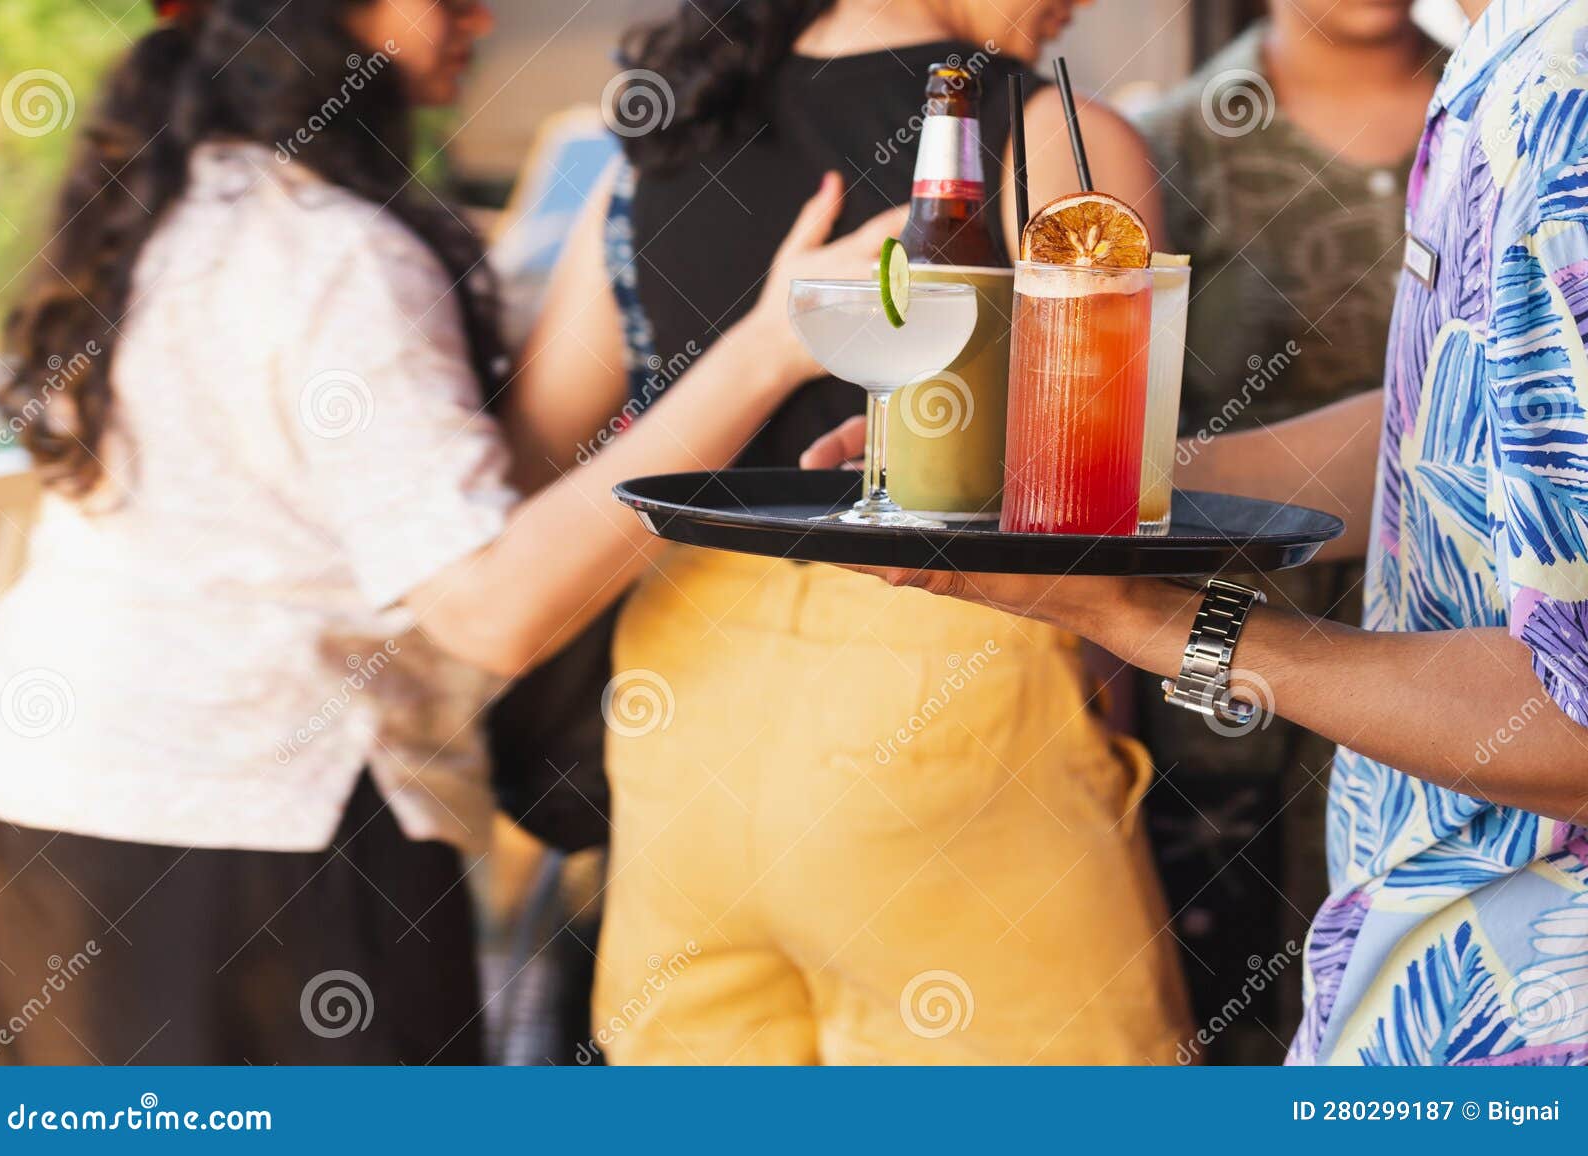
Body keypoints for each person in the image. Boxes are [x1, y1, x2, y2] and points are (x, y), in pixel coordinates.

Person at [0, 0, 897, 1064]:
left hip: (58, 809)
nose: (482, 13)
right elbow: (488, 611)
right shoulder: (335, 252)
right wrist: (768, 349)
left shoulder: (187, 205)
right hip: (260, 830)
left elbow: (459, 485)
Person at [809, 0, 1588, 1064]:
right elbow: (1453, 426)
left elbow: (1574, 719)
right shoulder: (1504, 64)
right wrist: (1106, 481)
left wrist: (1149, 616)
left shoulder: (1561, 84)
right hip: (1420, 931)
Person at [520, 0, 1191, 1064]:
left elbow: (540, 450)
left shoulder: (653, 144)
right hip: (957, 721)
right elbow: (1098, 485)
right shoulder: (1052, 138)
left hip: (680, 734)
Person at [1129, 0, 1445, 1060]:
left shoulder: (1519, 118)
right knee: (1225, 1002)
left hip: (1477, 679)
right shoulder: (1167, 146)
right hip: (1225, 685)